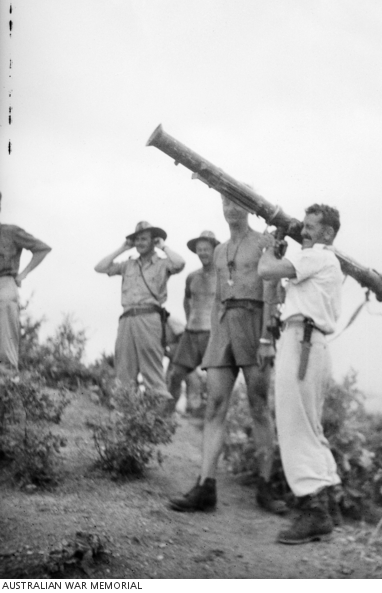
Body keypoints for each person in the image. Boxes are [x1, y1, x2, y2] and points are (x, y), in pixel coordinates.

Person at [168, 196, 286, 515]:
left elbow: (272, 287)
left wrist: (266, 337)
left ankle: (265, 486)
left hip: (254, 320)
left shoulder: (263, 242)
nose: (231, 209)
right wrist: (215, 336)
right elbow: (219, 296)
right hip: (222, 327)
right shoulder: (219, 251)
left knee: (259, 406)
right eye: (226, 202)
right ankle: (206, 485)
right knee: (214, 406)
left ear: (247, 208)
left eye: (237, 203)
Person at [257, 203, 343, 544]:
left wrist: (268, 248)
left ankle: (314, 511)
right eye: (303, 226)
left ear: (327, 233)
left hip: (303, 344)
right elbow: (283, 286)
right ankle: (327, 502)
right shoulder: (322, 261)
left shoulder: (316, 256)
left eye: (310, 227)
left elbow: (266, 271)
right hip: (311, 343)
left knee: (295, 427)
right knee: (311, 426)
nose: (302, 231)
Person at [94, 221, 185, 398]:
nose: (139, 243)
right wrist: (122, 248)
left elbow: (180, 263)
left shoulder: (162, 263)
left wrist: (163, 247)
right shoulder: (128, 265)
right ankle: (128, 419)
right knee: (124, 372)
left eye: (144, 239)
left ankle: (157, 420)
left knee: (152, 370)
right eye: (136, 240)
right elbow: (100, 267)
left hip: (149, 317)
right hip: (127, 318)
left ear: (153, 241)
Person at [166, 230, 219, 416]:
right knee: (175, 375)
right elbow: (186, 300)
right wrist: (190, 320)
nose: (203, 253)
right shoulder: (192, 277)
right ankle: (166, 418)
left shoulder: (222, 275)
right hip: (191, 333)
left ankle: (209, 418)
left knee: (215, 380)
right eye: (200, 249)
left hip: (212, 334)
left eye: (206, 249)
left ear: (214, 250)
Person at [0, 191, 52, 370]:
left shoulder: (10, 232)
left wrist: (23, 274)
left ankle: (8, 380)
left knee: (5, 337)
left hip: (4, 284)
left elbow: (42, 249)